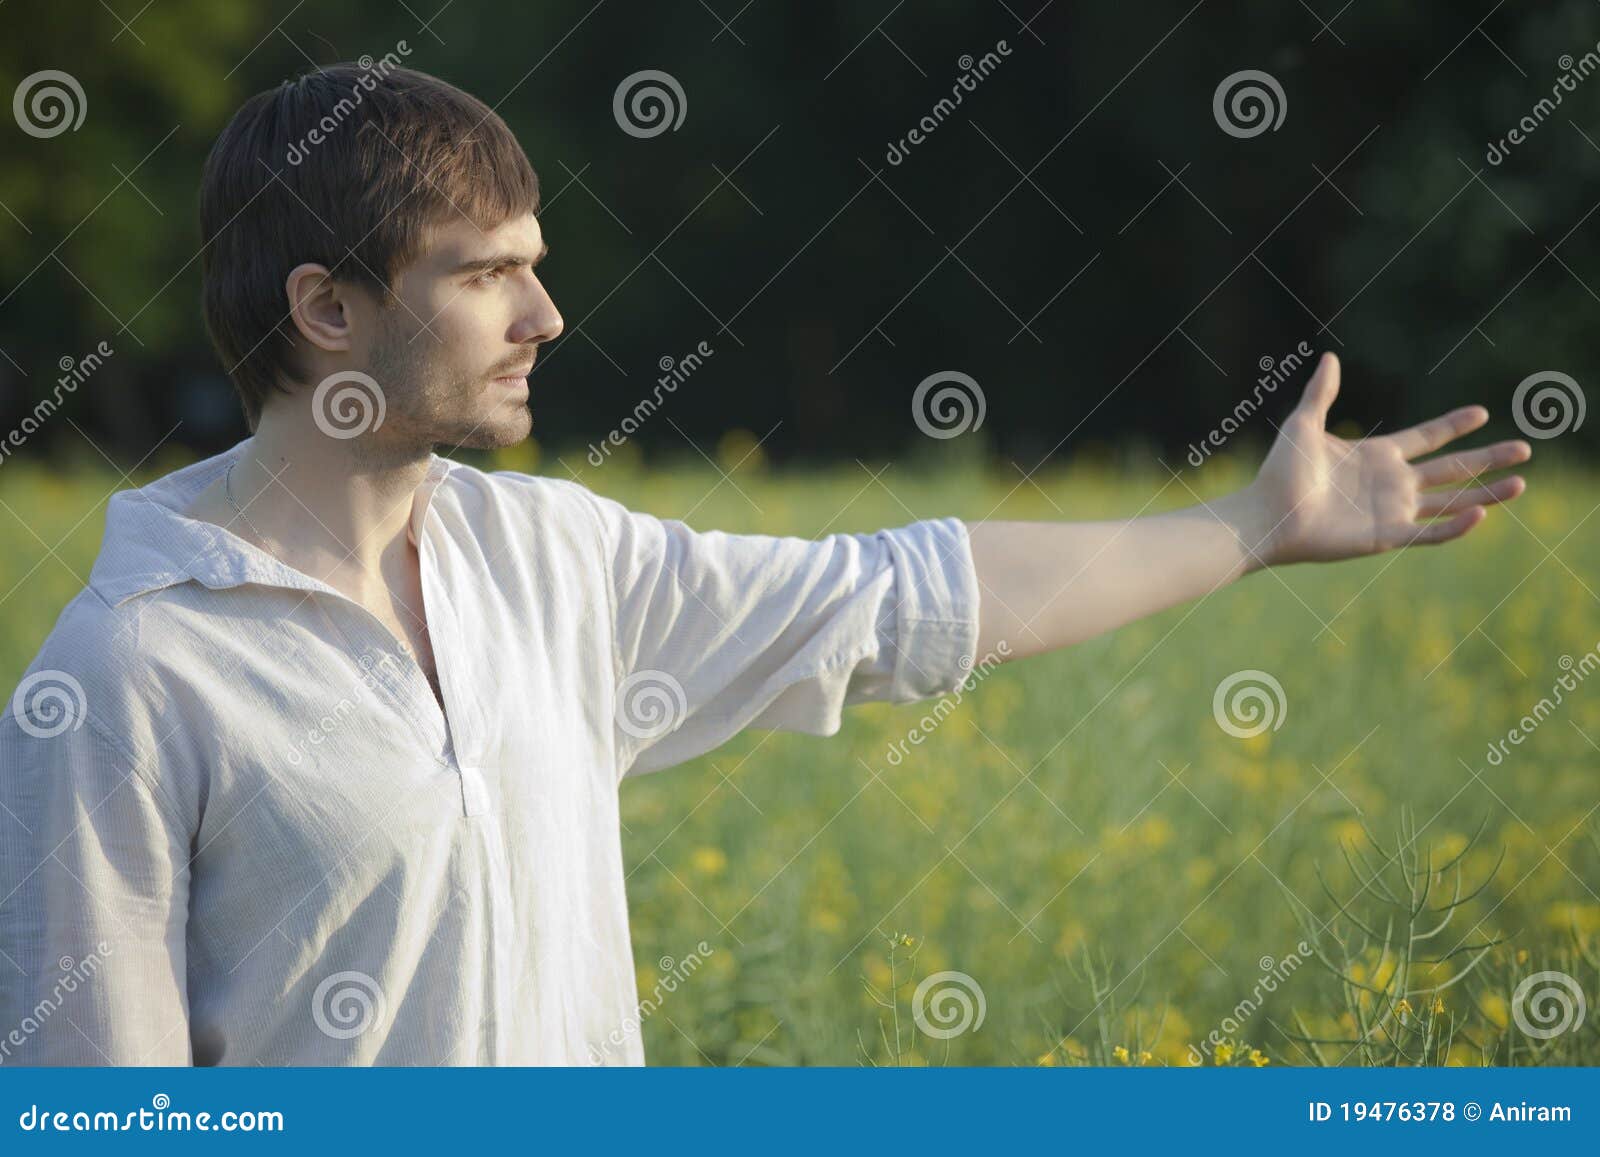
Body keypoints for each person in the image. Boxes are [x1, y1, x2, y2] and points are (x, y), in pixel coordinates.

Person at [0, 65, 1530, 1066]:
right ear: (328, 310)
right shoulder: (129, 674)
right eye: (488, 275)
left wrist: (1250, 529)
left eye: (539, 266)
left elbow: (906, 598)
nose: (544, 319)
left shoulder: (554, 559)